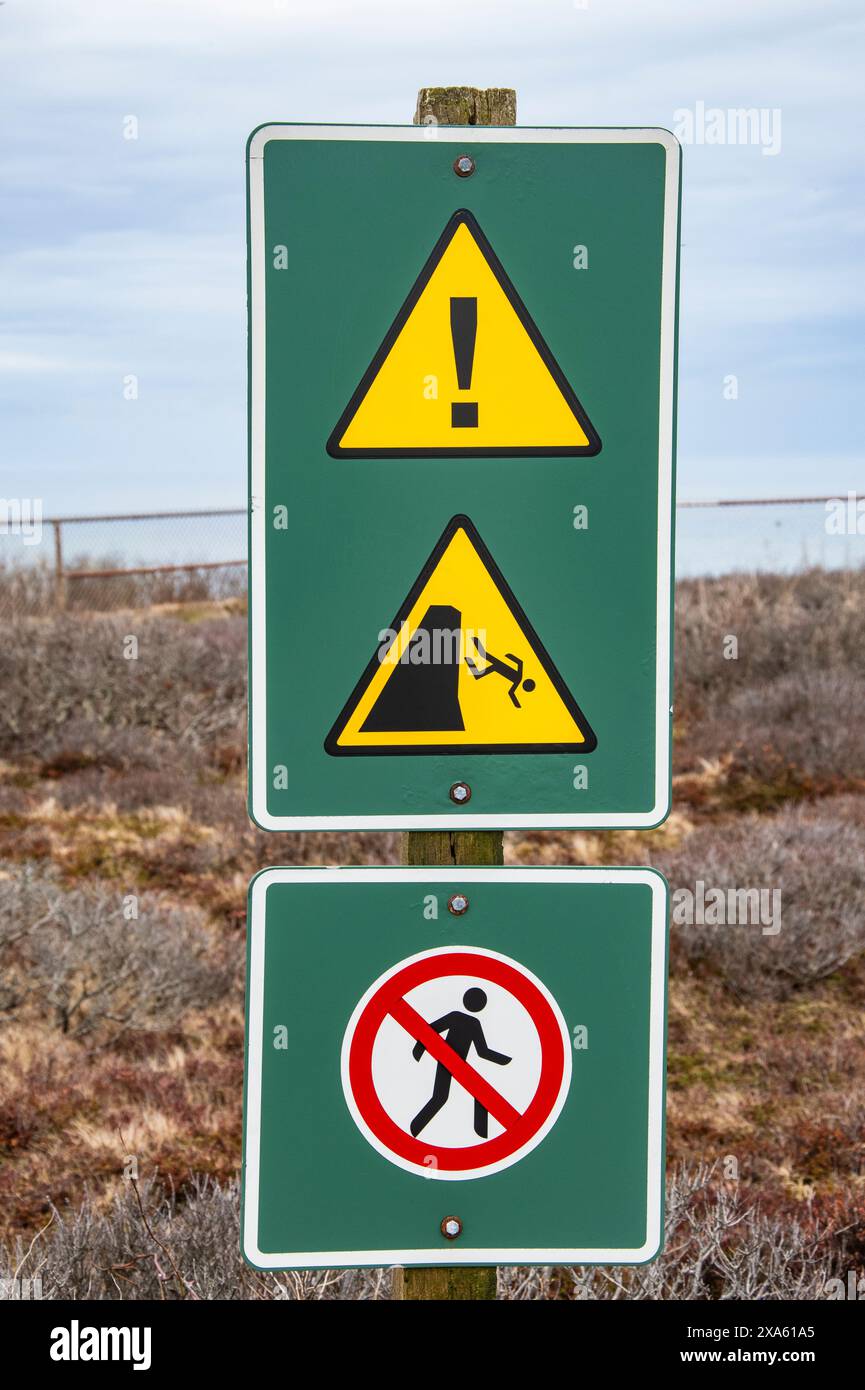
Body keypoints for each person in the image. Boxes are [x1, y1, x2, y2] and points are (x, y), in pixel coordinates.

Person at [410, 987, 511, 1139]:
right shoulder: (461, 1018)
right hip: (446, 1060)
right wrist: (418, 1049)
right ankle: (415, 1128)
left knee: (476, 1094)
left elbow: (482, 1051)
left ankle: (481, 1132)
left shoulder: (468, 1020)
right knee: (441, 1097)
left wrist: (504, 1060)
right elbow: (431, 1030)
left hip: (458, 1065)